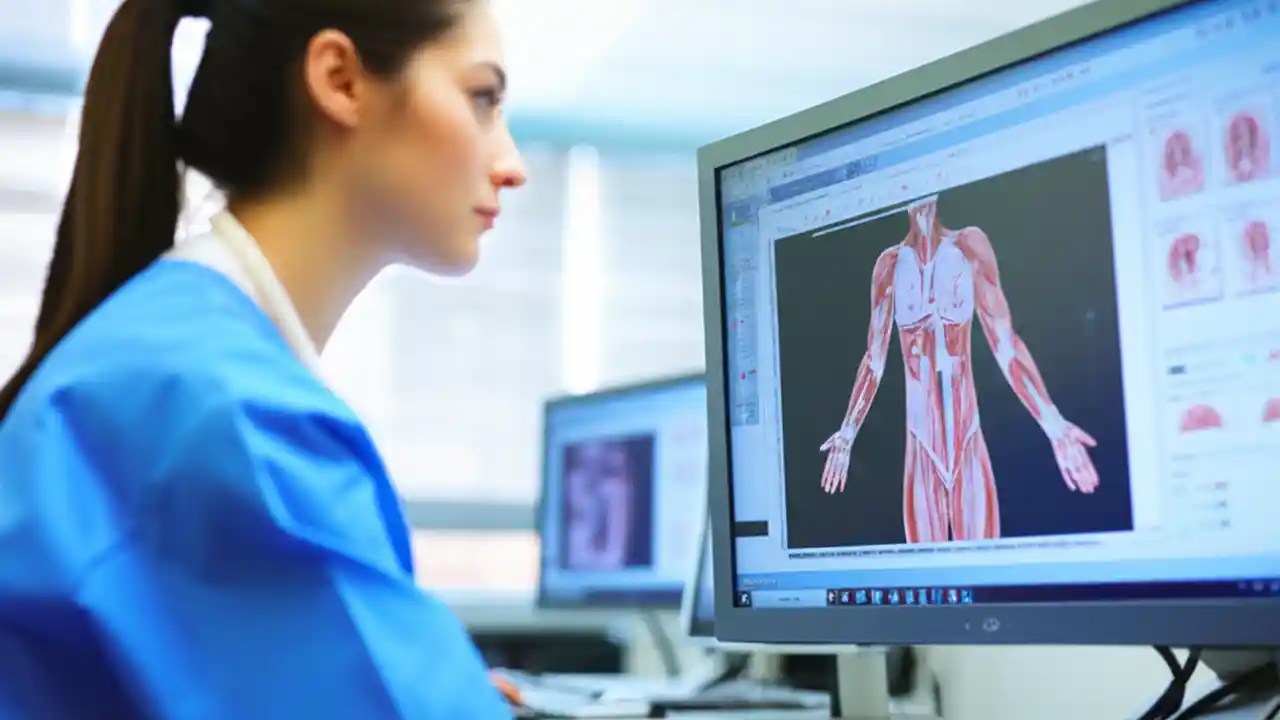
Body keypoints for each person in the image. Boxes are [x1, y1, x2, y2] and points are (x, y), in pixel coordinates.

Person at [0, 0, 525, 717]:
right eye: (482, 99)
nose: (512, 165)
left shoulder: (176, 349)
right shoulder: (226, 409)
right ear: (340, 80)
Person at [818, 195, 1098, 543]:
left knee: (985, 582)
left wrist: (1054, 425)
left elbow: (1006, 345)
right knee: (927, 589)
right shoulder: (889, 266)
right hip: (921, 447)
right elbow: (874, 361)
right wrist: (846, 435)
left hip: (968, 439)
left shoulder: (968, 247)